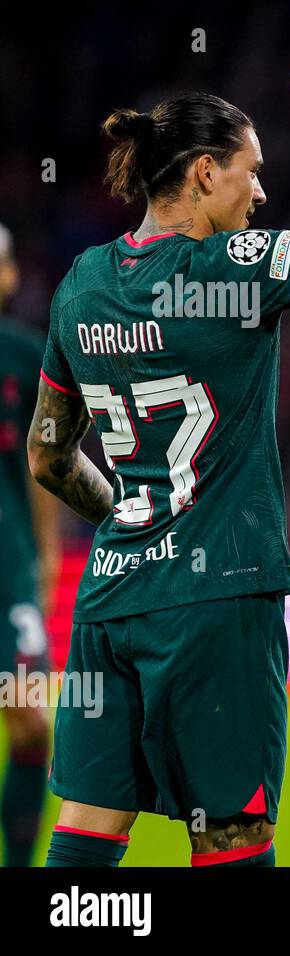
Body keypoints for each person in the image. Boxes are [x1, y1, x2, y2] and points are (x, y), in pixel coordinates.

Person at [27, 66, 290, 867]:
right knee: (231, 833)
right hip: (218, 597)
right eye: (253, 171)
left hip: (111, 596)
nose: (261, 194)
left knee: (89, 824)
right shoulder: (231, 269)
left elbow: (47, 454)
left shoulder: (80, 285)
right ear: (206, 172)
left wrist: (128, 523)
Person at [0, 222, 60, 866]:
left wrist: (46, 556)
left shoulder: (25, 355)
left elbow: (46, 463)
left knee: (31, 719)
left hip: (10, 564)